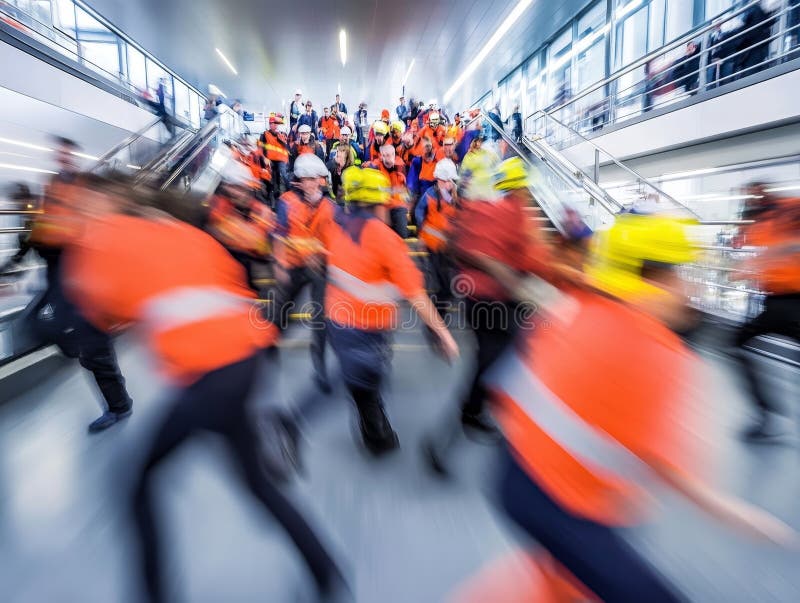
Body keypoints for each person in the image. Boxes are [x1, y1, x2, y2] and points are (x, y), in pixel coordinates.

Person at [61, 174, 349, 603]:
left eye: (83, 205)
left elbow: (93, 315)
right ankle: (326, 570)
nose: (79, 215)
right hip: (247, 364)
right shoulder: (183, 231)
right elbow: (231, 281)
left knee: (137, 484)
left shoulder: (105, 239)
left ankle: (153, 593)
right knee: (256, 482)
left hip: (209, 378)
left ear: (105, 203)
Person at [488, 212, 796, 602]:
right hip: (564, 506)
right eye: (682, 274)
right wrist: (740, 516)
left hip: (511, 473)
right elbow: (667, 468)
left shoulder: (571, 308)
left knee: (563, 581)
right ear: (655, 279)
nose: (689, 289)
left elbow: (507, 391)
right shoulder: (652, 352)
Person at [322, 167, 459, 454]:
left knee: (363, 384)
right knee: (366, 385)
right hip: (366, 329)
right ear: (378, 204)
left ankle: (371, 422)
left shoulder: (336, 227)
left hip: (337, 322)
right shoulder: (385, 238)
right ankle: (377, 439)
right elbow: (416, 294)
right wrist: (442, 333)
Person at [26, 137, 132, 432]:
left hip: (86, 272)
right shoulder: (52, 186)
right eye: (58, 154)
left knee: (95, 346)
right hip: (57, 270)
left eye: (66, 153)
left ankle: (118, 405)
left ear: (73, 155)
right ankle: (79, 351)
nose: (61, 158)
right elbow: (42, 225)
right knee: (41, 324)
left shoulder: (87, 185)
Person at [730, 184, 800, 440]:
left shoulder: (790, 208)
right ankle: (769, 417)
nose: (748, 201)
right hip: (775, 301)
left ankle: (770, 418)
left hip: (790, 300)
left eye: (751, 196)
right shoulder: (760, 221)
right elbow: (743, 243)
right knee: (739, 341)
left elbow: (791, 244)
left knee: (739, 341)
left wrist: (769, 258)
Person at [274, 153, 335, 392]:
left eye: (314, 178)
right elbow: (279, 234)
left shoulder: (330, 206)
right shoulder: (286, 201)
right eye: (306, 179)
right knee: (281, 311)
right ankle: (268, 345)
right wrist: (279, 265)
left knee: (321, 320)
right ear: (298, 180)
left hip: (319, 268)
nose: (311, 183)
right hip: (293, 266)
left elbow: (336, 239)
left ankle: (320, 366)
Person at [206, 161, 274, 292]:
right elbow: (248, 239)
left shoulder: (258, 207)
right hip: (227, 268)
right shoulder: (219, 207)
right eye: (232, 187)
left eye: (240, 188)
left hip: (251, 263)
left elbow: (262, 239)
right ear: (226, 188)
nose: (236, 192)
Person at [415, 159, 459, 314]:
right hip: (433, 247)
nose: (446, 184)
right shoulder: (430, 194)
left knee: (445, 283)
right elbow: (419, 212)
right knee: (442, 283)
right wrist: (422, 232)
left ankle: (438, 312)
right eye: (443, 180)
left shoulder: (455, 196)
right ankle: (436, 317)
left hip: (448, 247)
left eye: (449, 181)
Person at [363, 144, 409, 238]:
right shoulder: (374, 168)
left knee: (402, 234)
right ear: (381, 156)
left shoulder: (401, 167)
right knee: (381, 234)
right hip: (381, 204)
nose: (390, 158)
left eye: (392, 154)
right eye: (387, 155)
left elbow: (404, 189)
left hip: (397, 205)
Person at [259, 116, 290, 205]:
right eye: (273, 124)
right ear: (270, 125)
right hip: (270, 160)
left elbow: (286, 147)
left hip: (281, 159)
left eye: (276, 124)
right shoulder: (264, 135)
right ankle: (271, 195)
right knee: (270, 177)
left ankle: (289, 191)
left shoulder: (282, 134)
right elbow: (260, 148)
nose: (275, 126)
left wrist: (281, 137)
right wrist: (264, 158)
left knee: (283, 173)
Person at [407, 137, 443, 207]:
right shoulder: (417, 161)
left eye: (429, 146)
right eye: (425, 146)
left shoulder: (438, 160)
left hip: (434, 190)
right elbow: (412, 182)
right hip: (422, 191)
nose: (428, 149)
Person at [326, 138, 356, 204]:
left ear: (346, 156)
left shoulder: (351, 170)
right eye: (337, 151)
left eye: (341, 152)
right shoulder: (332, 165)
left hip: (346, 202)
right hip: (333, 200)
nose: (337, 154)